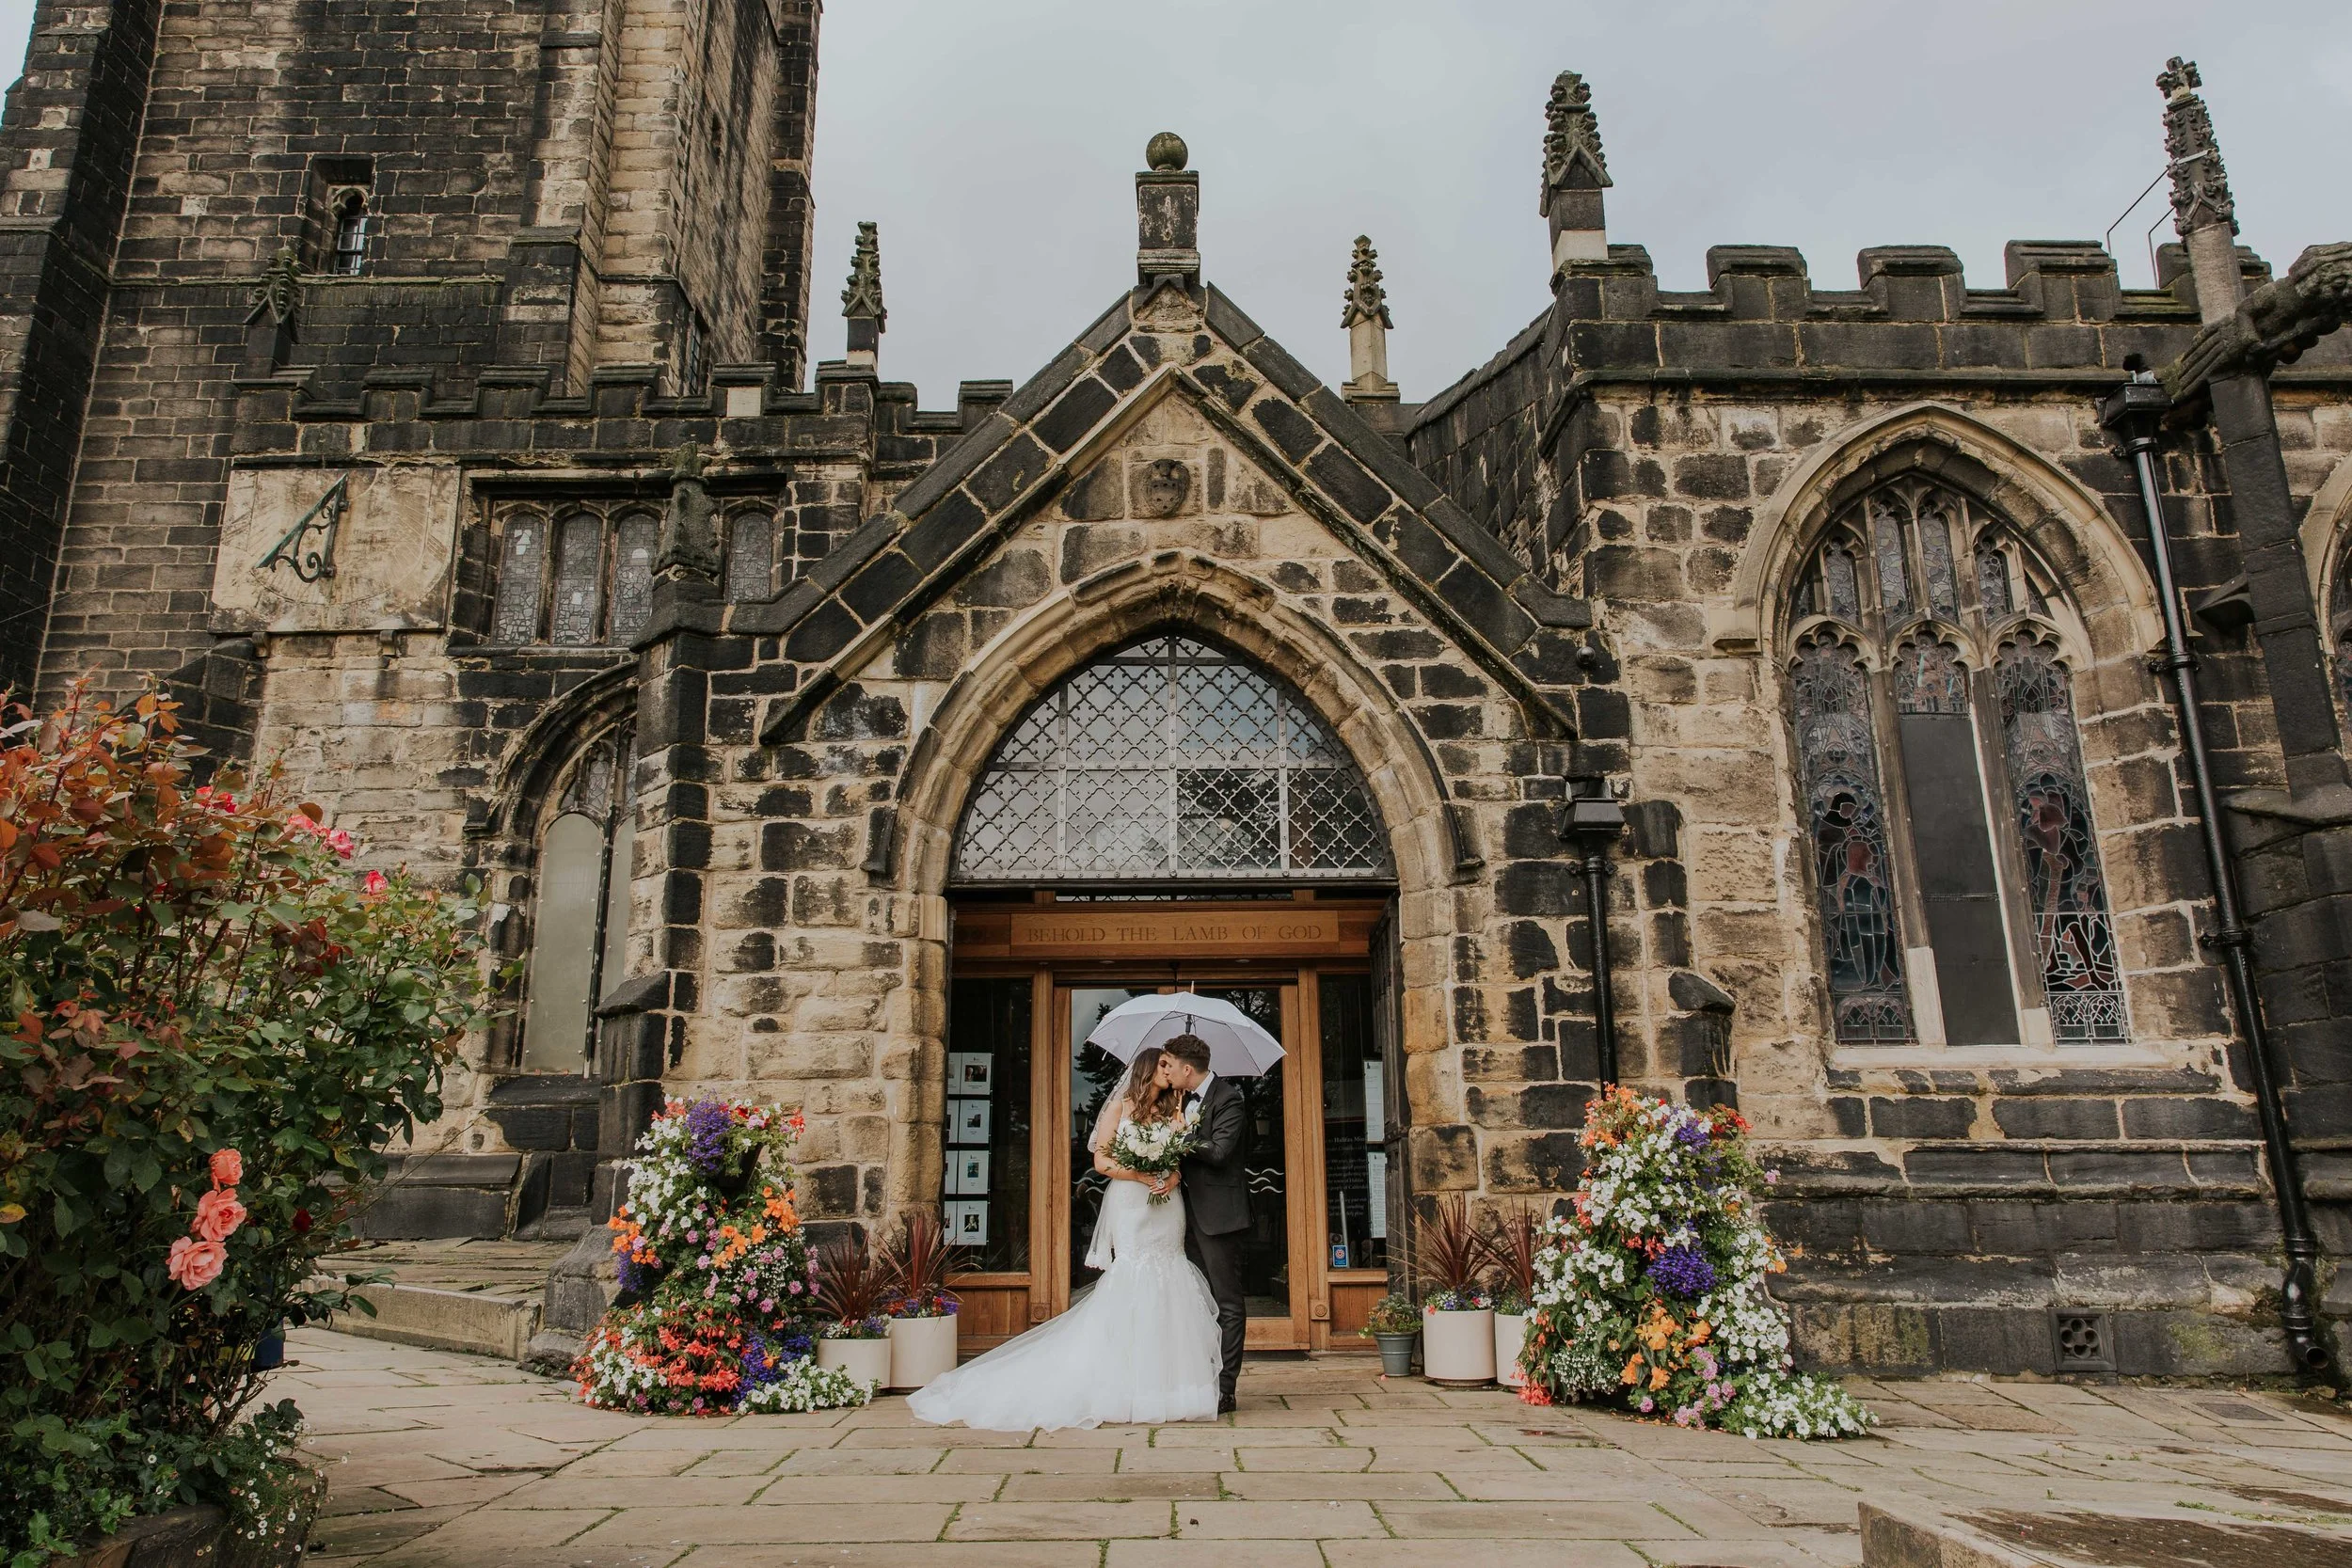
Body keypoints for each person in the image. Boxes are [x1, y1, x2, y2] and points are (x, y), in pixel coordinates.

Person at [906, 1045, 1223, 1430]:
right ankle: (1126, 1384)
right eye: (1161, 1064)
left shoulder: (1175, 1111)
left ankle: (1172, 1388)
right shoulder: (1119, 1107)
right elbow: (1101, 1160)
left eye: (1170, 1065)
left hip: (1167, 1205)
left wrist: (1171, 1175)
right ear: (1145, 1069)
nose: (1168, 1071)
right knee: (1134, 1274)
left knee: (1171, 1273)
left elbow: (1179, 1161)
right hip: (1132, 1203)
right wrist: (1139, 1174)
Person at [1157, 1032, 1248, 1414]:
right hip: (1181, 1215)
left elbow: (1221, 1151)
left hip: (1219, 1215)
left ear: (1187, 1068)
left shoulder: (1229, 1099)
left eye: (1169, 1065)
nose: (1165, 1071)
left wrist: (1182, 1135)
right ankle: (1197, 1381)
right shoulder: (1179, 1099)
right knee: (1193, 1301)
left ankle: (1225, 1389)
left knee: (1227, 1302)